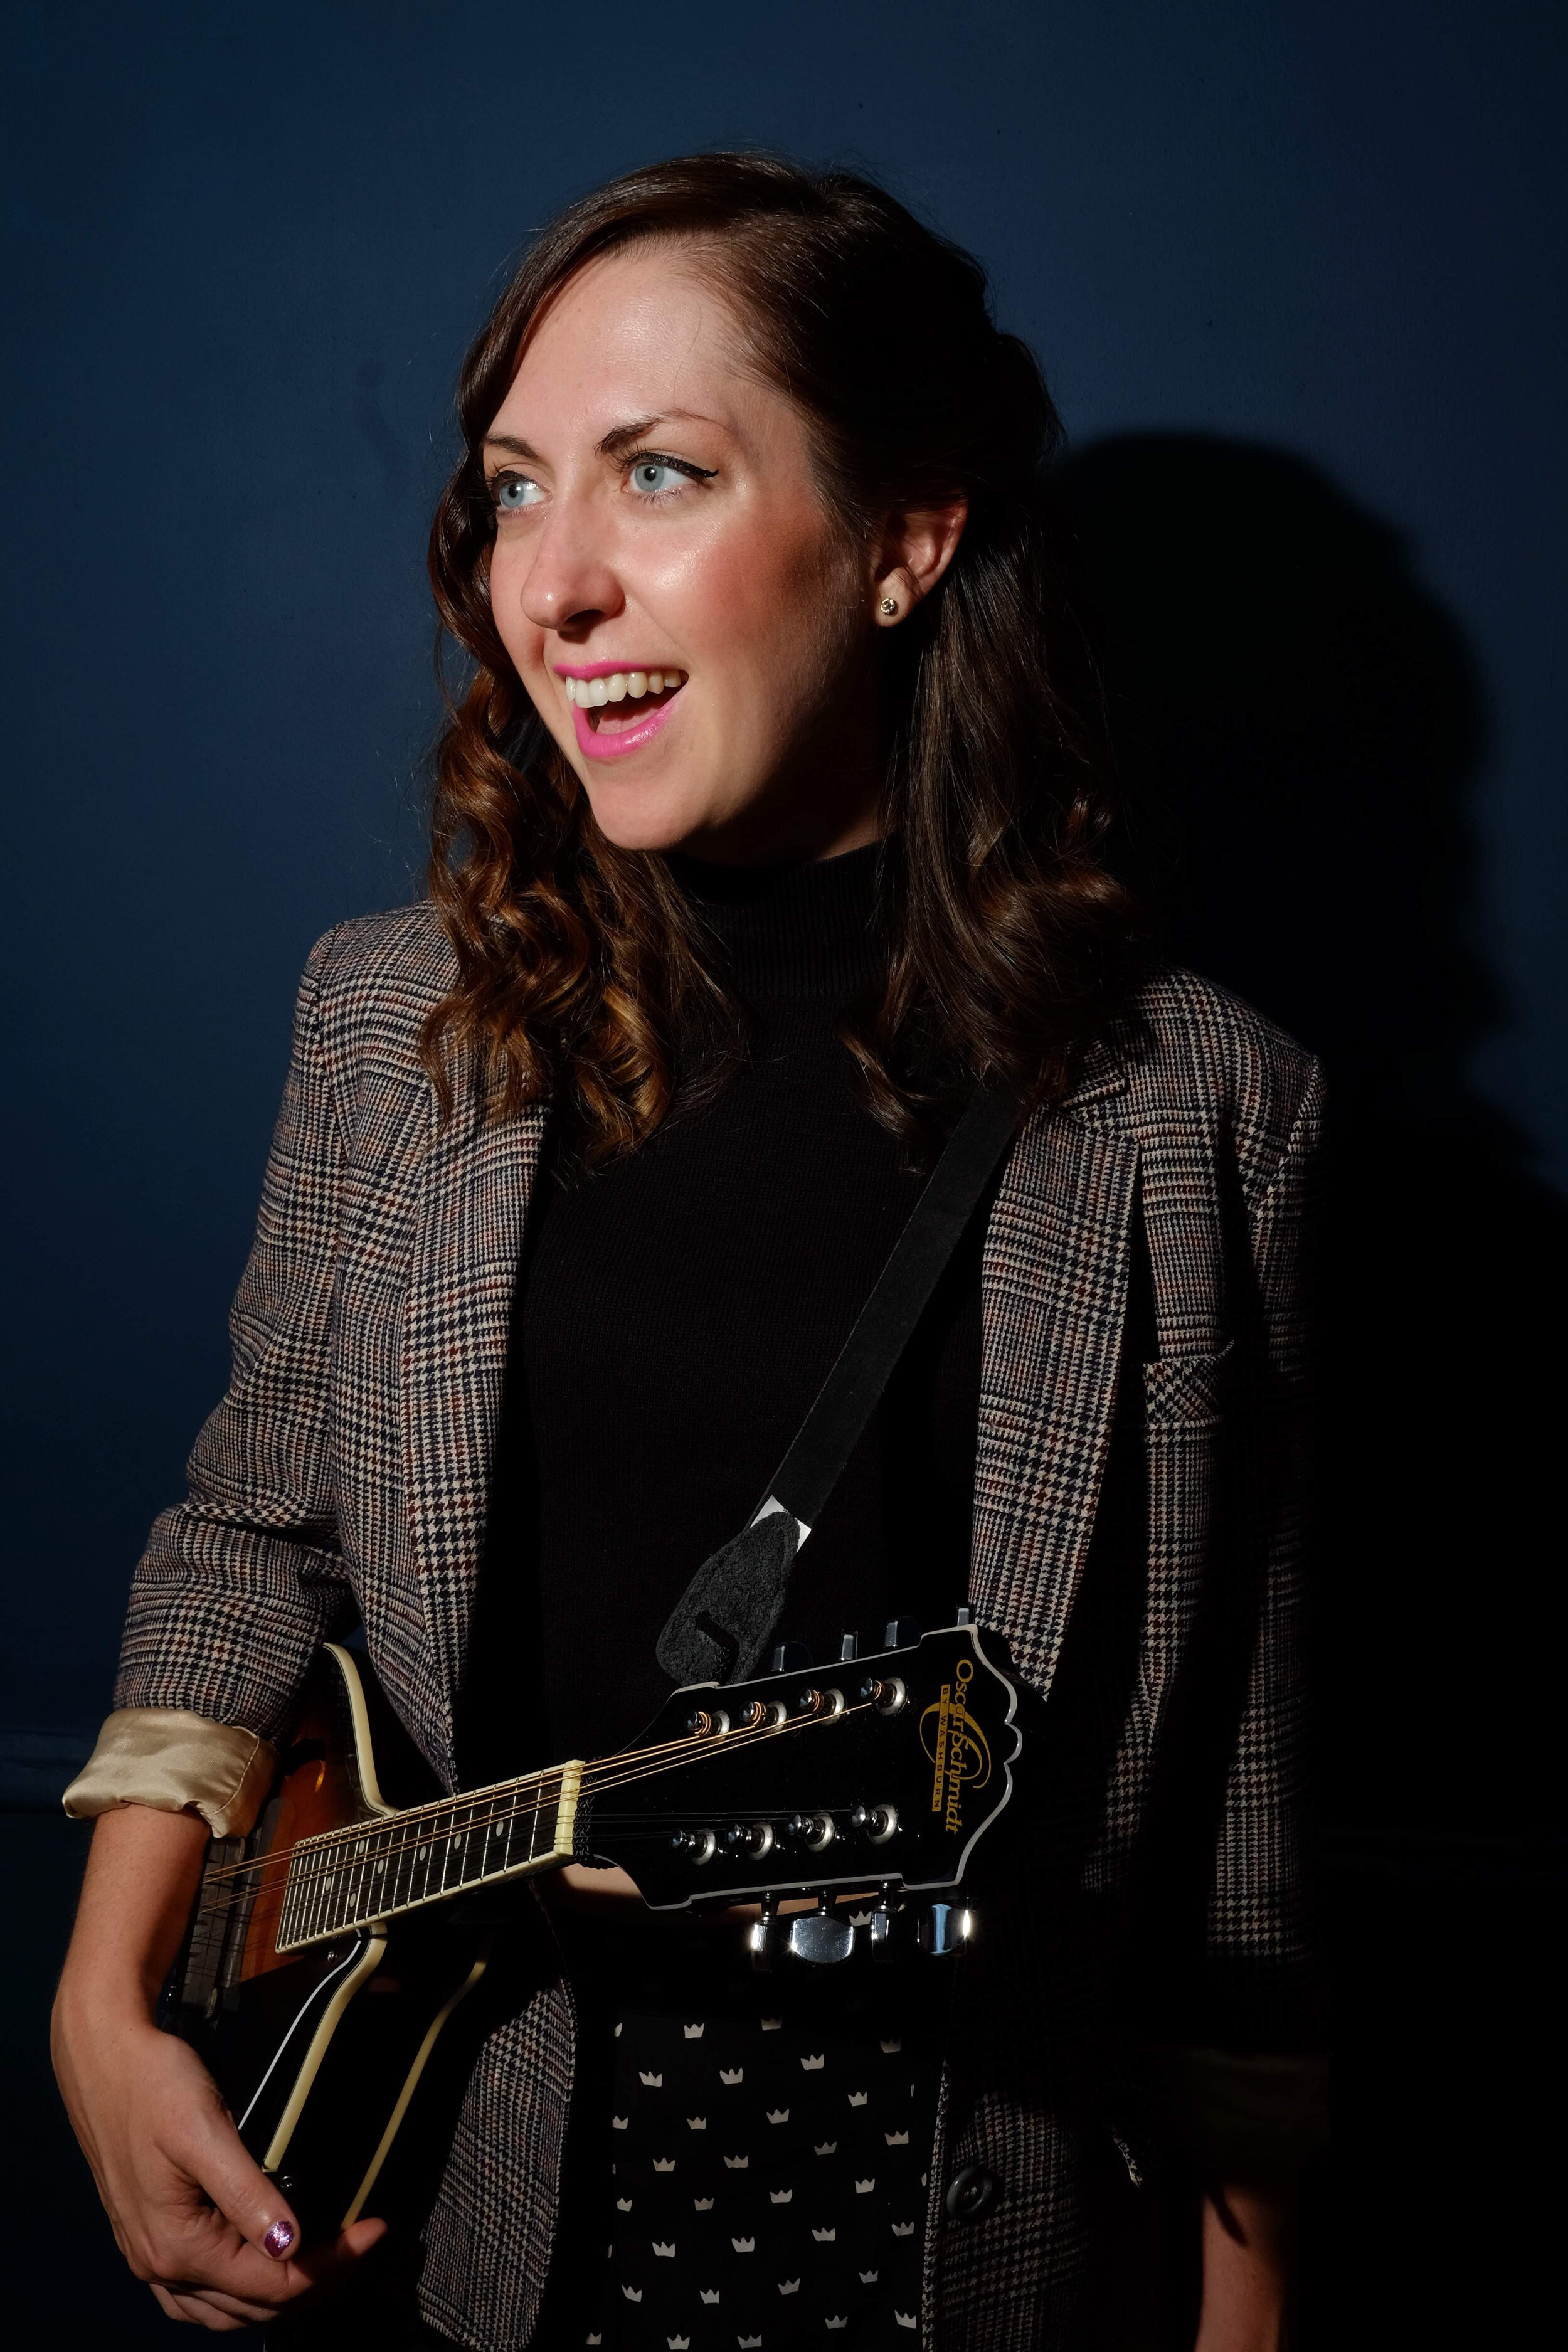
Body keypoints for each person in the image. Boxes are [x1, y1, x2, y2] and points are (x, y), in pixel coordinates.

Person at [51, 154, 1325, 2350]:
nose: (553, 583)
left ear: (905, 541)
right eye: (513, 489)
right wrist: (99, 1998)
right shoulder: (395, 1025)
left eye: (659, 473)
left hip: (973, 2234)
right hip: (467, 2202)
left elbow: (1239, 1780)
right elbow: (255, 1529)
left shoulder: (1198, 1111)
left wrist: (1248, 2309)